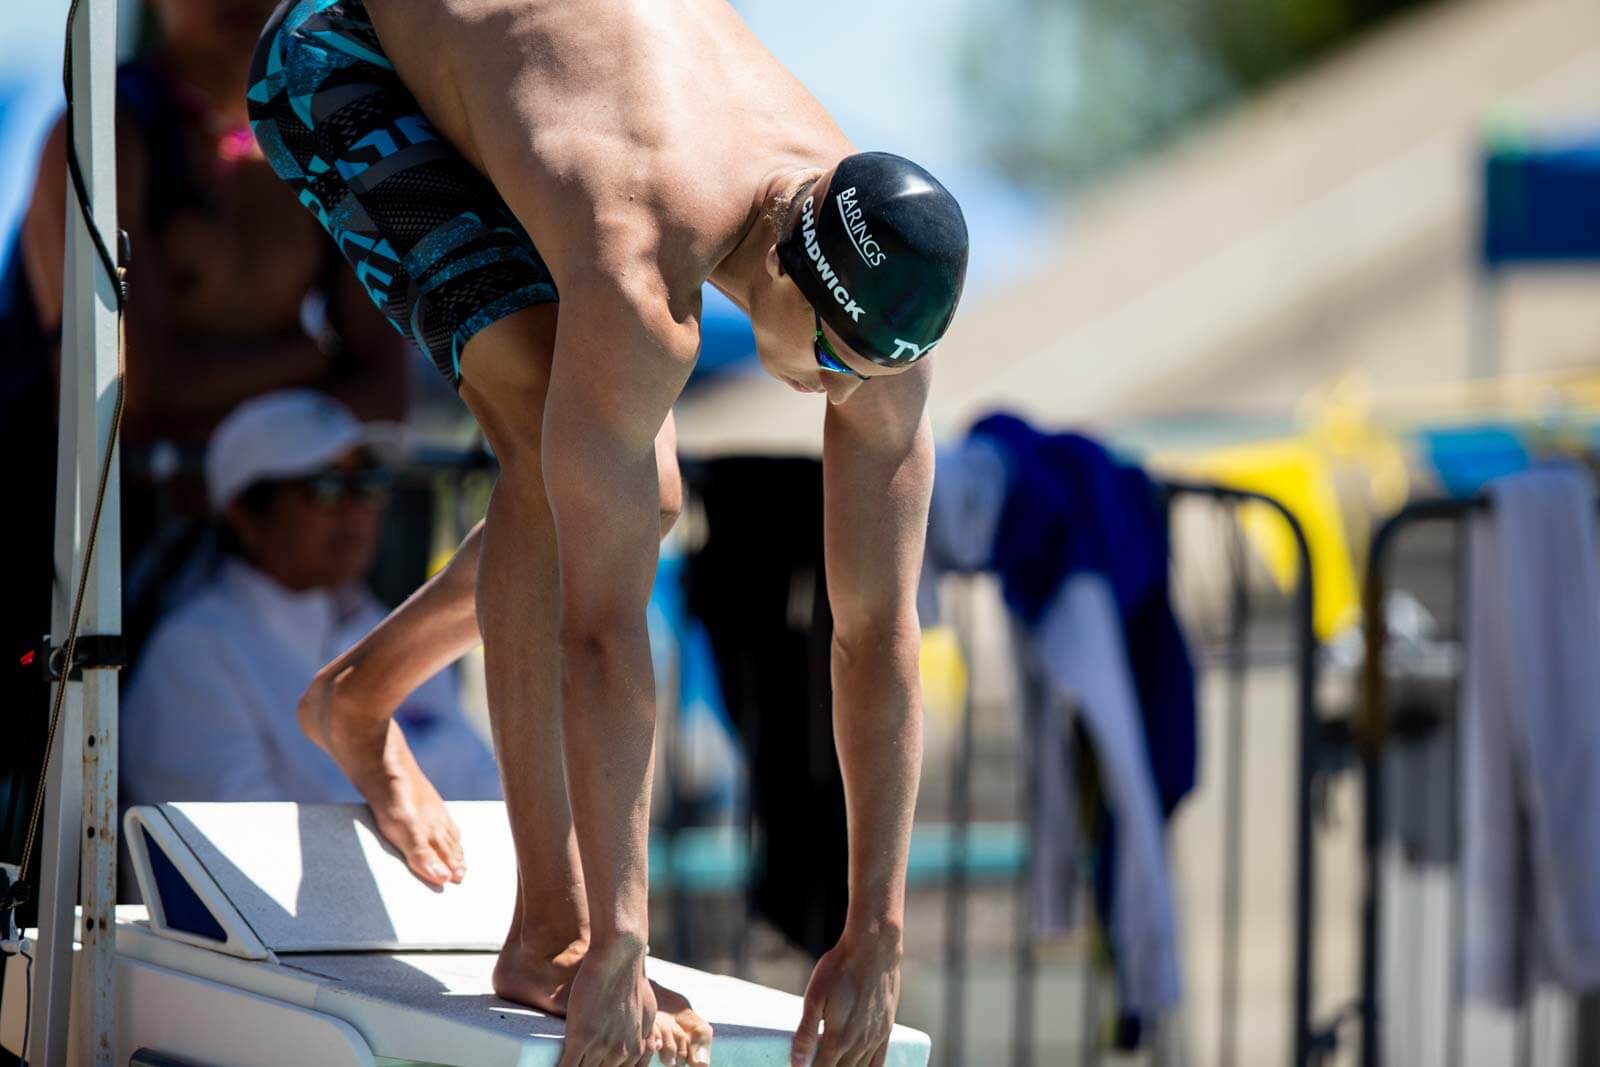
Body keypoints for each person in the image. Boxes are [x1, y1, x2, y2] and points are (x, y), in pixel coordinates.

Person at [246, 1, 969, 1064]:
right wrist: (619, 941)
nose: (840, 389)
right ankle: (551, 929)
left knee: (642, 498)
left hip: (536, 84)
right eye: (827, 357)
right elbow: (600, 633)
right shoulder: (641, 253)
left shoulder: (881, 312)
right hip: (346, 48)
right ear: (780, 265)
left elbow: (876, 630)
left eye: (868, 369)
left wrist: (878, 930)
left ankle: (359, 693)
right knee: (554, 461)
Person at [18, 0, 410, 600]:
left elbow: (386, 394)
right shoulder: (106, 132)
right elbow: (130, 392)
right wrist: (309, 360)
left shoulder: (323, 135)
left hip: (270, 556)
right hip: (93, 558)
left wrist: (216, 418)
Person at [120, 390, 501, 820]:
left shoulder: (376, 622)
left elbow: (487, 787)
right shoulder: (189, 656)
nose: (356, 508)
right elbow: (238, 844)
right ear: (244, 513)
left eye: (368, 481)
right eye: (326, 486)